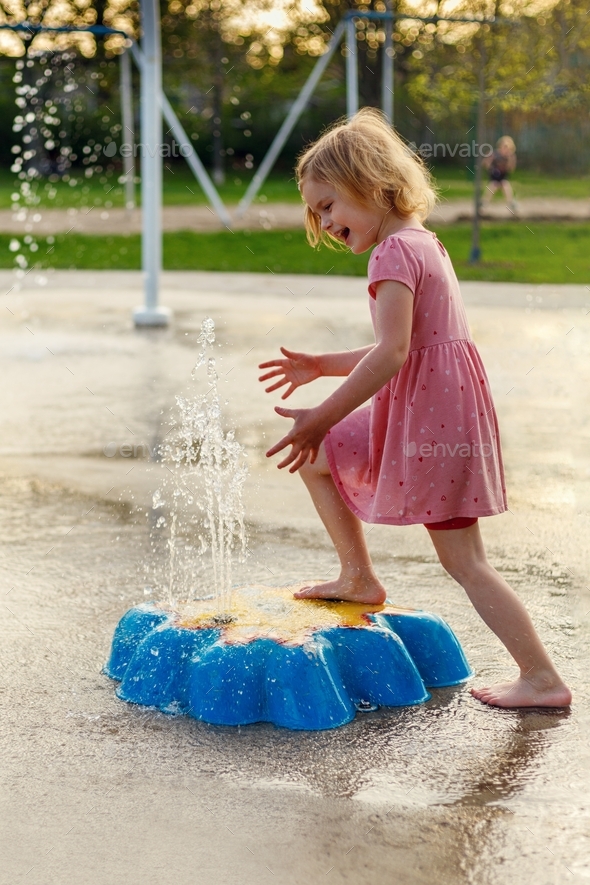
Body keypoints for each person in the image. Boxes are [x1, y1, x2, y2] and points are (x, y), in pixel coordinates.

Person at [258, 109, 571, 710]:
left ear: (370, 184)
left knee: (466, 561)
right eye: (316, 212)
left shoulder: (391, 257)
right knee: (319, 458)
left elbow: (394, 354)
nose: (323, 221)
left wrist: (320, 411)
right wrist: (322, 363)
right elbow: (410, 344)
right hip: (438, 412)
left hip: (430, 424)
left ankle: (540, 678)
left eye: (328, 205)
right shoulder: (421, 241)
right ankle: (358, 578)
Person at [482, 135, 518, 211]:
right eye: (504, 146)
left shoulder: (510, 156)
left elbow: (511, 169)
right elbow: (485, 163)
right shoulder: (494, 154)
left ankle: (511, 203)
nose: (506, 149)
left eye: (508, 147)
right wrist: (489, 165)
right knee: (492, 186)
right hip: (494, 176)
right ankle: (485, 202)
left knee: (506, 186)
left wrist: (510, 160)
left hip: (503, 177)